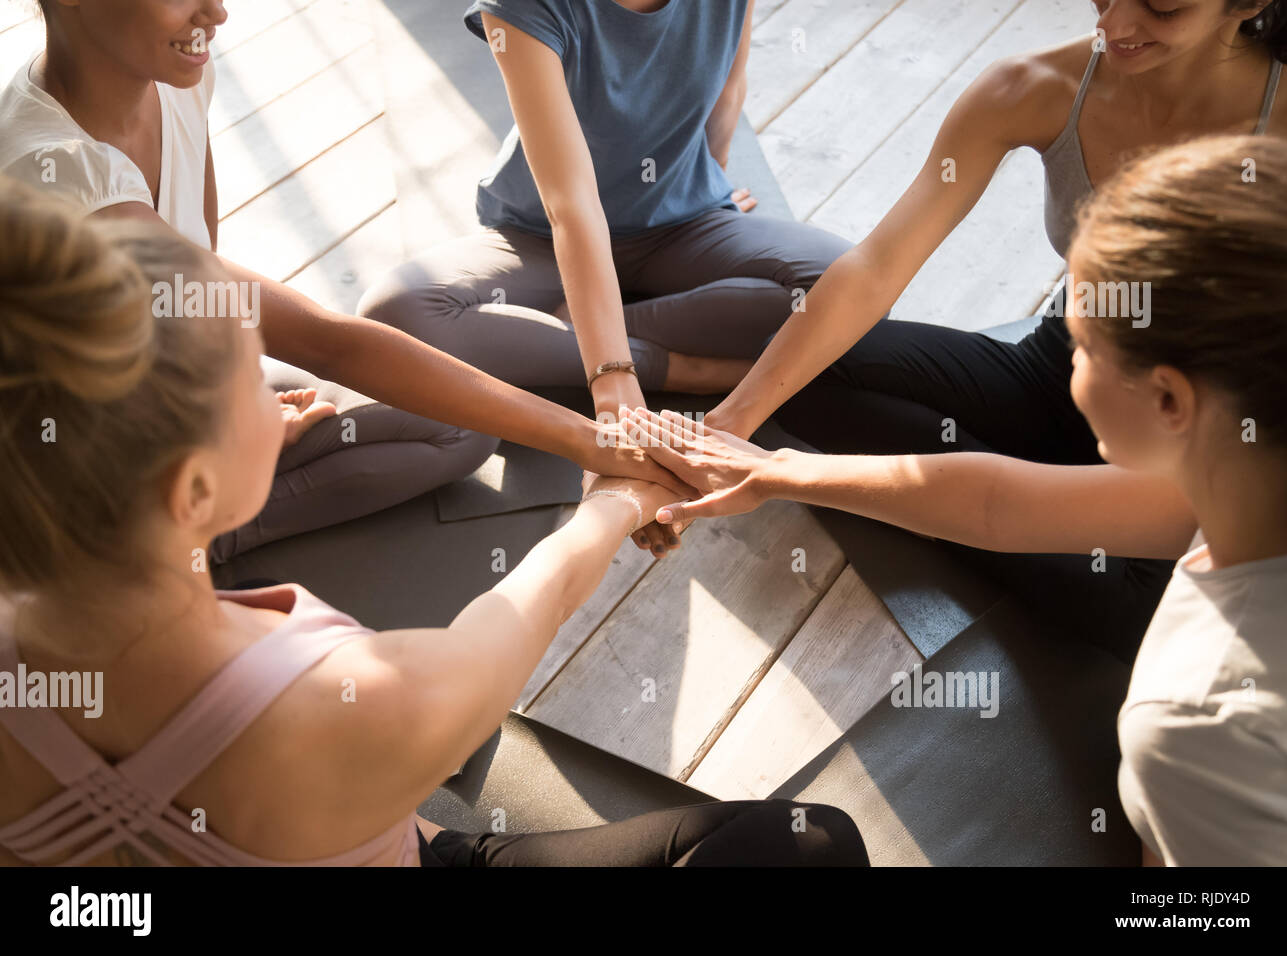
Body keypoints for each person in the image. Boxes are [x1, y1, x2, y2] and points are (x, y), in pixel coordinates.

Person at [0, 179, 867, 867]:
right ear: (192, 492)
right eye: (250, 387)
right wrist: (621, 497)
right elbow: (539, 595)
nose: (279, 402)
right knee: (810, 842)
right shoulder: (367, 707)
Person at [631, 133, 1287, 866]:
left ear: (1169, 397)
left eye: (1079, 347)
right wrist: (778, 472)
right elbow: (997, 506)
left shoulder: (1197, 718)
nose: (1065, 359)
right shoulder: (1251, 484)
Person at [698, 0, 1287, 659]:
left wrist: (787, 475)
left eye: (1161, 7)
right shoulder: (1032, 87)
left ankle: (1036, 496)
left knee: (1124, 610)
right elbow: (875, 266)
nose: (1116, 25)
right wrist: (734, 419)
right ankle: (1038, 490)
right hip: (1078, 361)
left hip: (1202, 429)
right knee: (805, 377)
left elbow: (995, 507)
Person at [0, 0, 690, 565]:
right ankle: (145, 548)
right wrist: (588, 439)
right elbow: (328, 343)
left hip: (161, 397)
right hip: (69, 463)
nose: (217, 13)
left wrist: (234, 411)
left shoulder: (178, 74)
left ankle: (207, 536)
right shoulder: (54, 175)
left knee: (461, 431)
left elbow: (200, 289)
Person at [357, 0, 855, 559]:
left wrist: (707, 184)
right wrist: (614, 382)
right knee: (395, 313)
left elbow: (727, 93)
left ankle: (565, 326)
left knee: (845, 285)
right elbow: (571, 204)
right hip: (542, 234)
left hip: (682, 225)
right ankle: (685, 368)